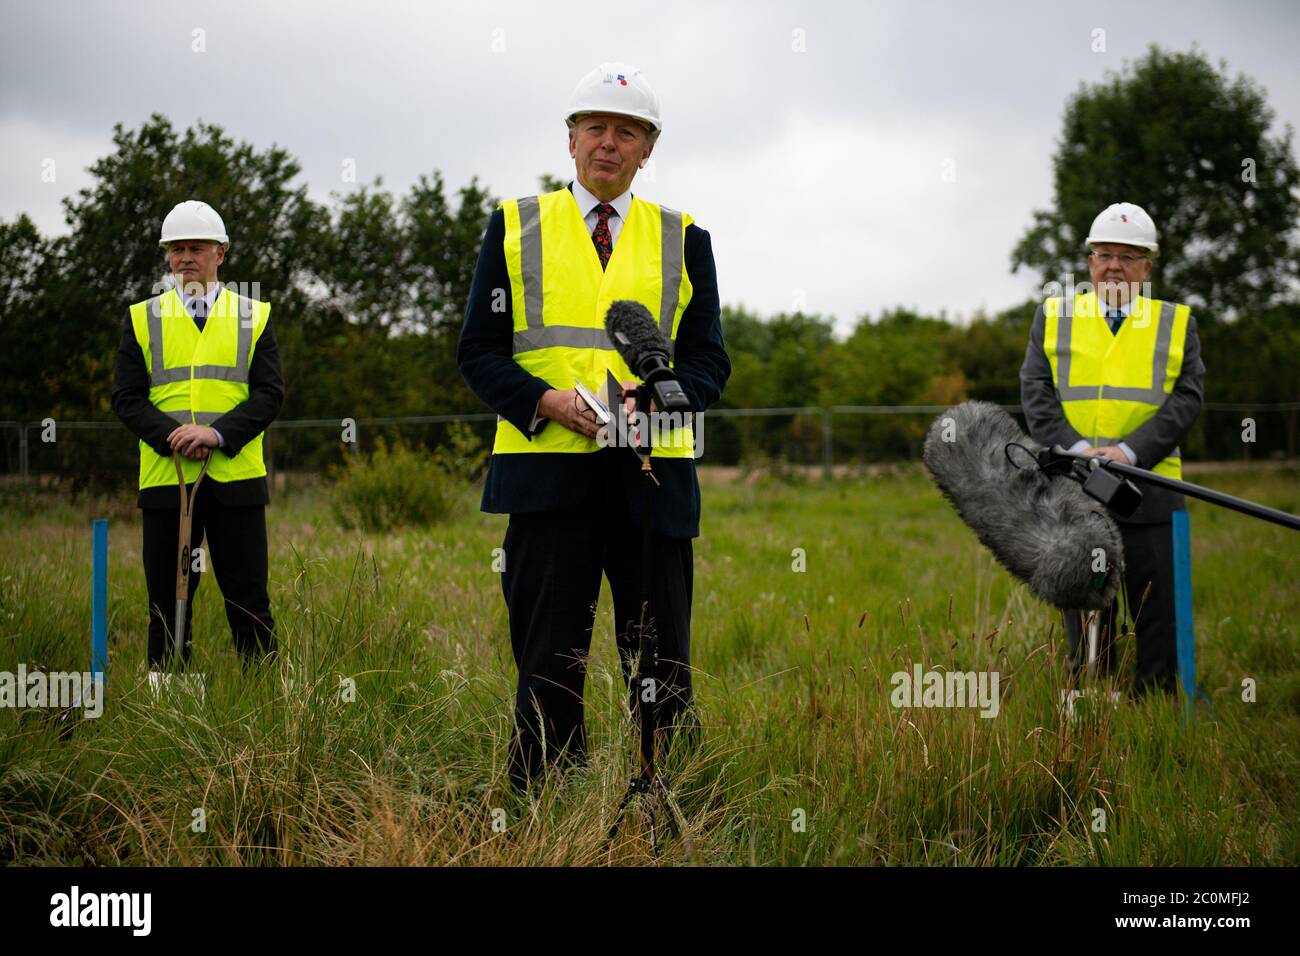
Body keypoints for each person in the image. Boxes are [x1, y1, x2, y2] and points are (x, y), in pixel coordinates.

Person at [457, 62, 731, 790]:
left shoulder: (684, 238)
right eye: (596, 128)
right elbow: (477, 353)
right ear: (571, 140)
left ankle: (668, 795)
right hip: (547, 480)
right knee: (548, 659)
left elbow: (710, 362)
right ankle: (547, 798)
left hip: (652, 483)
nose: (609, 143)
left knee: (661, 663)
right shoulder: (513, 227)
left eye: (627, 133)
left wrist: (665, 400)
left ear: (648, 150)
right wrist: (547, 403)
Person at [1019, 201, 1204, 694]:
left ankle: (1158, 697)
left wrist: (1129, 453)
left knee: (1157, 605)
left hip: (1151, 486)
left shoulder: (1176, 323)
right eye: (1104, 254)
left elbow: (1187, 399)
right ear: (1089, 262)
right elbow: (1035, 392)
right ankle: (1092, 694)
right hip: (1074, 487)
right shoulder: (1054, 317)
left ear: (1147, 268)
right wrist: (1077, 451)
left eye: (1128, 256)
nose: (1114, 266)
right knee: (1084, 601)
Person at [111, 199, 284, 683]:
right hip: (167, 482)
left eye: (197, 248)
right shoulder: (142, 318)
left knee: (248, 600)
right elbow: (127, 398)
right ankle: (171, 705)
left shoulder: (254, 315)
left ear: (220, 253)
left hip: (236, 482)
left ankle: (265, 700)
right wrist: (173, 437)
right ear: (167, 255)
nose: (185, 257)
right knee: (167, 603)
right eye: (177, 248)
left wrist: (216, 434)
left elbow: (270, 394)